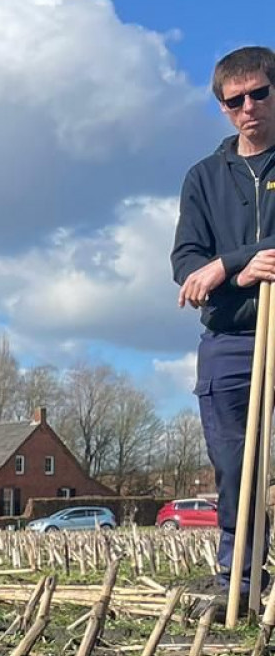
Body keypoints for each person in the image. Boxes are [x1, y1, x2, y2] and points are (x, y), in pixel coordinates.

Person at [174, 46, 275, 596]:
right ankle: (238, 574)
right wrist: (234, 273)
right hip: (232, 336)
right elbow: (185, 261)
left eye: (260, 93)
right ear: (222, 108)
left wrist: (231, 261)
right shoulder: (205, 178)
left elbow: (228, 261)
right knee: (236, 462)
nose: (249, 108)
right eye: (235, 100)